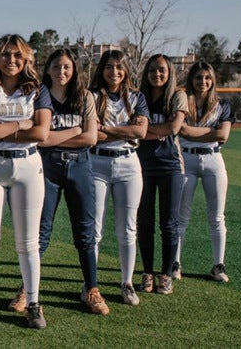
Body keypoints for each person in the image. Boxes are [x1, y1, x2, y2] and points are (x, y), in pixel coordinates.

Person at [0, 34, 51, 330]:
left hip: (28, 165)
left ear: (26, 58)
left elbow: (42, 132)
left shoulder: (37, 90)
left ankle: (33, 303)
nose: (11, 60)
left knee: (28, 243)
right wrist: (19, 124)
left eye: (17, 55)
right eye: (5, 54)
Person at [36, 48, 109, 315]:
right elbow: (40, 139)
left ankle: (91, 288)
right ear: (48, 69)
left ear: (74, 69)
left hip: (80, 165)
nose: (62, 71)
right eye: (56, 66)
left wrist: (63, 135)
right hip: (48, 166)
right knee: (40, 232)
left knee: (85, 232)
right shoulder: (40, 95)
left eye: (67, 66)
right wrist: (76, 130)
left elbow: (91, 138)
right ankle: (27, 289)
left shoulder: (85, 96)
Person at [89, 50, 148, 306]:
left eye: (119, 67)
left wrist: (106, 129)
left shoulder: (137, 96)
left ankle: (127, 282)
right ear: (102, 69)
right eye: (109, 67)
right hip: (96, 162)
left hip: (128, 162)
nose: (114, 72)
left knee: (128, 229)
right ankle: (90, 285)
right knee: (94, 230)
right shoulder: (90, 96)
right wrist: (124, 131)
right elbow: (92, 135)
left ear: (126, 70)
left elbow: (141, 131)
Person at [176, 61, 233, 282]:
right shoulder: (182, 102)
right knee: (181, 216)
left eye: (207, 78)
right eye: (199, 77)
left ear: (213, 80)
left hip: (213, 159)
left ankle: (218, 265)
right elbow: (181, 130)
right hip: (186, 158)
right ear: (192, 79)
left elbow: (223, 136)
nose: (203, 82)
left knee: (217, 217)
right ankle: (175, 263)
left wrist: (194, 132)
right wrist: (211, 131)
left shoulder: (222, 105)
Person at [135, 54, 187, 295]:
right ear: (147, 73)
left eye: (162, 70)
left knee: (169, 223)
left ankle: (166, 274)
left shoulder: (178, 95)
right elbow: (135, 130)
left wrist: (146, 131)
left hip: (170, 167)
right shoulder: (140, 97)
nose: (157, 74)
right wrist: (154, 132)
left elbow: (173, 128)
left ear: (170, 73)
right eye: (153, 70)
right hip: (142, 165)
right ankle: (147, 272)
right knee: (144, 222)